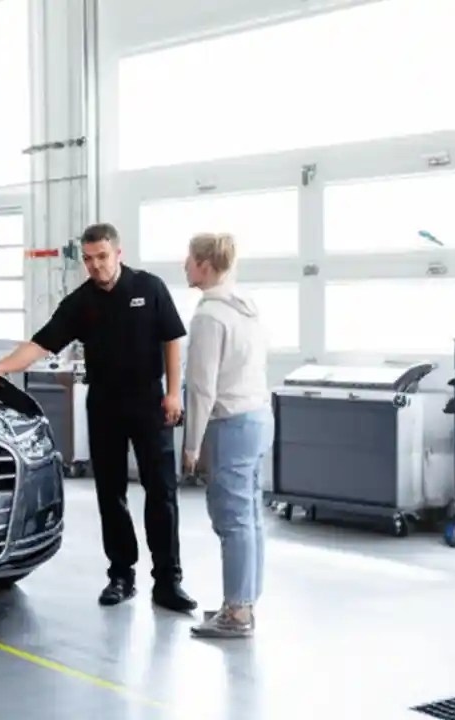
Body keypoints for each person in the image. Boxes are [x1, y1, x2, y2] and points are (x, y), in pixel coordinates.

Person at [0, 223, 196, 612]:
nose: (96, 266)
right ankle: (121, 575)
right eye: (89, 259)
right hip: (105, 404)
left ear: (118, 253)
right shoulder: (81, 303)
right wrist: (1, 367)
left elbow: (172, 339)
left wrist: (173, 392)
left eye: (102, 257)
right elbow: (40, 343)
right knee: (110, 492)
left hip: (148, 401)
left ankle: (168, 580)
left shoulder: (149, 288)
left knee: (161, 491)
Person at [177, 232, 273, 639]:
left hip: (230, 424)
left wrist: (191, 446)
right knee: (249, 517)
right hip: (257, 418)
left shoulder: (209, 317)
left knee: (231, 520)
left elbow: (202, 389)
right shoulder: (245, 307)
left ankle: (237, 614)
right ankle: (243, 601)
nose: (184, 265)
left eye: (189, 259)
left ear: (204, 265)